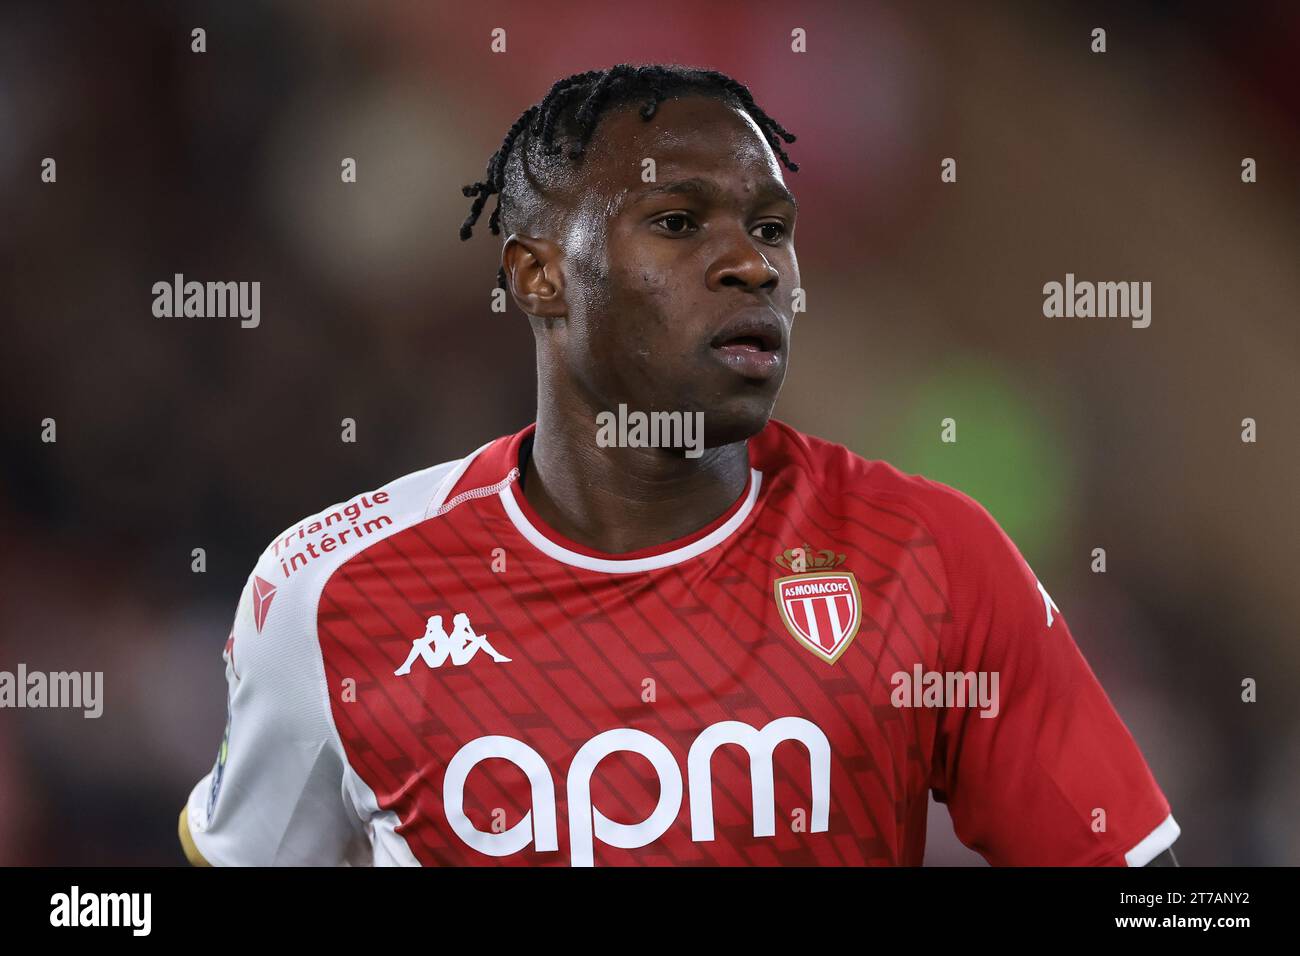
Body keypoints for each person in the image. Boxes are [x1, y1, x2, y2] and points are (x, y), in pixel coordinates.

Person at [179, 64, 1179, 867]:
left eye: (772, 228)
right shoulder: (333, 592)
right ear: (537, 275)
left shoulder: (927, 556)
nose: (754, 263)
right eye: (676, 222)